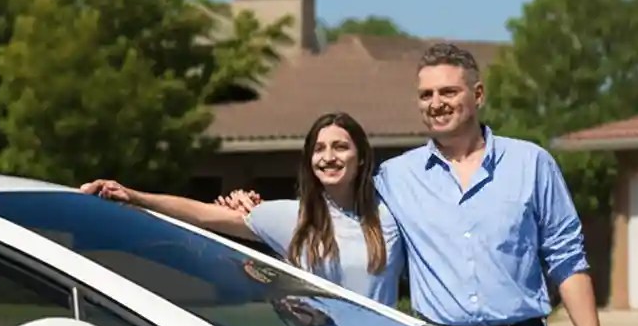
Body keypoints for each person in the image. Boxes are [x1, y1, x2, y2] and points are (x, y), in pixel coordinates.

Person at [362, 42, 605, 326]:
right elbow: (344, 226)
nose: (436, 103)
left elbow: (566, 257)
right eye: (426, 94)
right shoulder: (394, 177)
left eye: (448, 92)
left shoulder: (531, 163)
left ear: (478, 95)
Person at [78, 111, 406, 306]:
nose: (328, 156)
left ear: (361, 157)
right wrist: (134, 196)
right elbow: (203, 214)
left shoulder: (391, 213)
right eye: (319, 148)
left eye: (340, 147)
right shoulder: (293, 218)